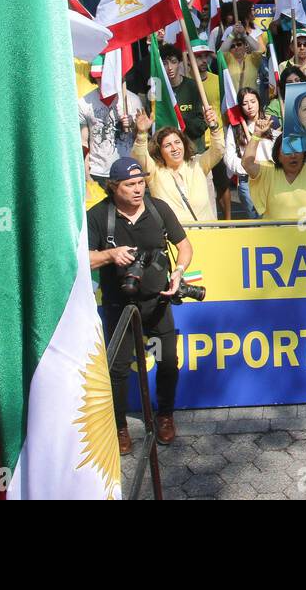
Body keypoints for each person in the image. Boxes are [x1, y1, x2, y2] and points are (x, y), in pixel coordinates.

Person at [87, 156, 192, 453]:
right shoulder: (98, 215)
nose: (137, 189)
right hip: (119, 306)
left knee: (168, 362)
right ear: (113, 187)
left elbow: (184, 246)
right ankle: (120, 428)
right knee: (118, 370)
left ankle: (165, 416)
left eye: (140, 182)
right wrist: (110, 255)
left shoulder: (158, 209)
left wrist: (178, 272)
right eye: (130, 184)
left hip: (158, 302)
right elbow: (82, 257)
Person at [131, 104, 224, 223]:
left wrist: (214, 127)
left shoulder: (197, 164)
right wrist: (141, 134)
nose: (175, 148)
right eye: (167, 145)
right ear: (159, 150)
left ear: (184, 144)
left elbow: (218, 150)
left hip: (206, 235)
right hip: (174, 239)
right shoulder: (154, 171)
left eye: (177, 142)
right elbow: (139, 157)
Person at [241, 118, 306, 219]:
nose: (293, 155)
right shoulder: (269, 171)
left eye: (297, 149)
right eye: (287, 151)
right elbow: (247, 164)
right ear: (278, 155)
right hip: (275, 234)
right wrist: (257, 134)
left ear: (303, 153)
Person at [222, 87, 270, 219]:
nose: (250, 106)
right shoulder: (236, 127)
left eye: (253, 101)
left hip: (271, 177)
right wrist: (247, 168)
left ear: (259, 102)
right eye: (245, 103)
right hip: (247, 181)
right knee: (256, 222)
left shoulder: (272, 121)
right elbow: (229, 157)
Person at [79, 87, 142, 180]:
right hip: (98, 172)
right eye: (98, 77)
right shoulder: (84, 102)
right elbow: (83, 142)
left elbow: (141, 138)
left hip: (127, 170)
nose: (101, 81)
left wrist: (132, 124)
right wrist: (87, 175)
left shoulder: (133, 99)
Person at [158, 43, 208, 154]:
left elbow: (202, 124)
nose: (169, 67)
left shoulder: (193, 87)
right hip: (169, 155)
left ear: (180, 63)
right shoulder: (157, 92)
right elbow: (155, 127)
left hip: (194, 151)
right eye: (165, 64)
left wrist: (181, 119)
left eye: (173, 62)